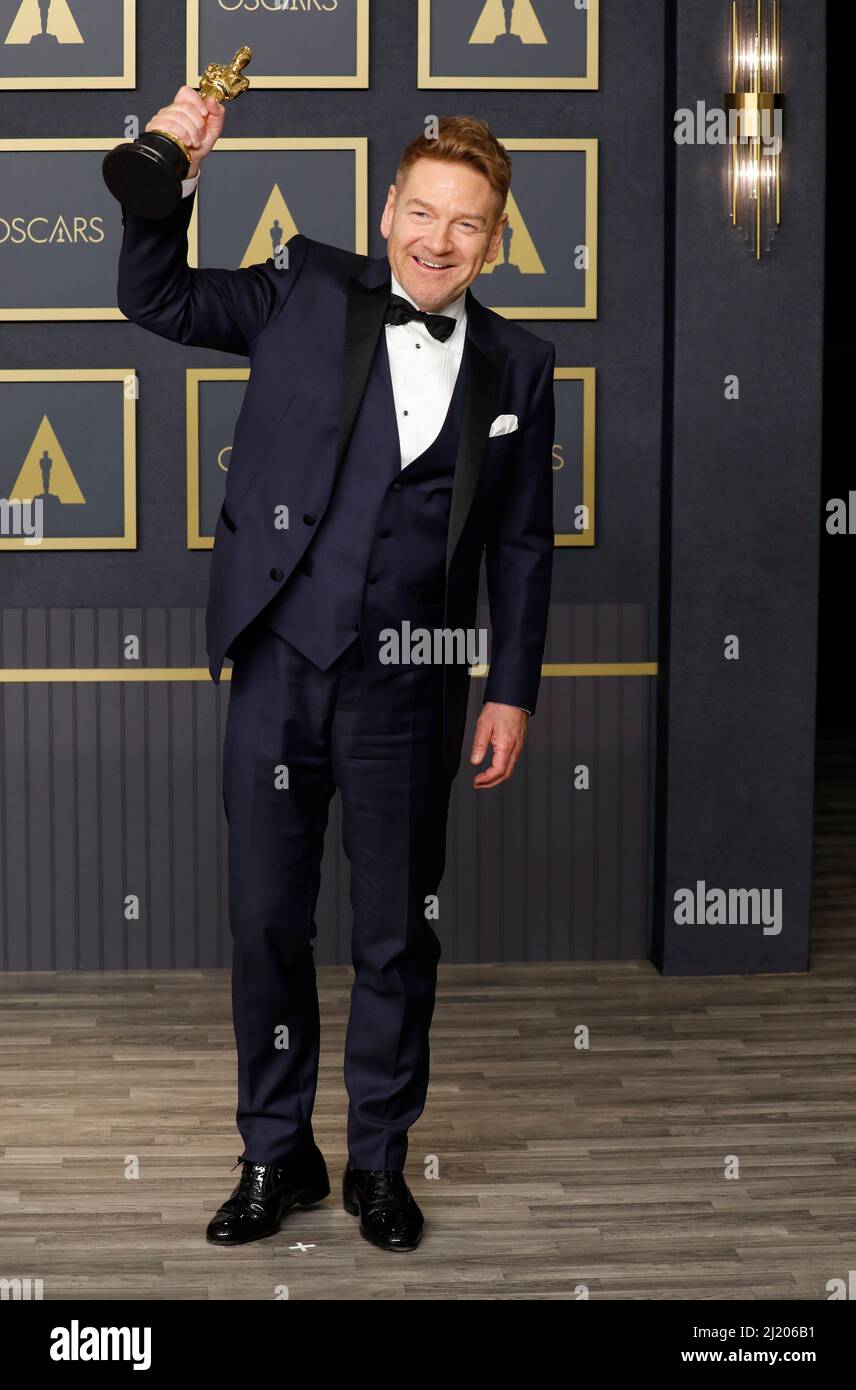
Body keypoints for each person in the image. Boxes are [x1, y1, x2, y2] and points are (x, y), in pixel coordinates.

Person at [116, 89, 555, 1252]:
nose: (437, 240)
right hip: (281, 662)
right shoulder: (302, 286)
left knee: (395, 935)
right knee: (266, 921)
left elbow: (520, 544)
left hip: (410, 686)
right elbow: (156, 298)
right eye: (422, 212)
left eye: (466, 223)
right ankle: (275, 1153)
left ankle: (378, 1162)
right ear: (387, 209)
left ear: (494, 239)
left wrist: (510, 687)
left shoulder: (518, 363)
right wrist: (170, 175)